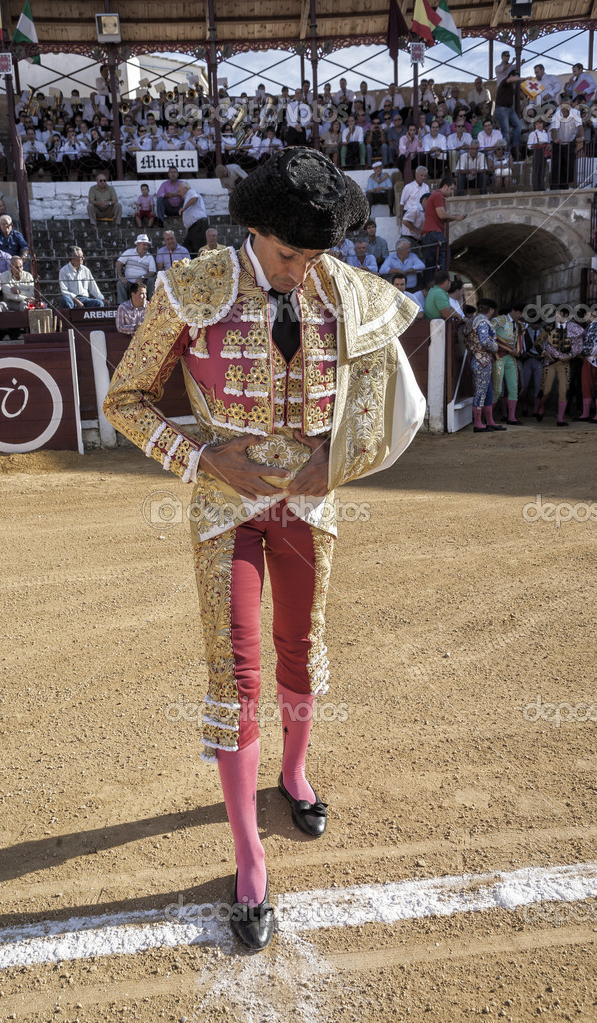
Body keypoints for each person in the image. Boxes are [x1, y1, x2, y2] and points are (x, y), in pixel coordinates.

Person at [102, 146, 424, 953]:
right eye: (290, 253)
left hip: (309, 501)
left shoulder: (342, 291)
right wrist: (204, 456)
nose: (303, 269)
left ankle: (295, 774)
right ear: (255, 230)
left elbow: (389, 398)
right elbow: (126, 399)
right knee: (236, 669)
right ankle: (250, 857)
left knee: (299, 645)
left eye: (318, 253)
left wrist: (337, 457)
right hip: (226, 506)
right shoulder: (197, 285)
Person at [537, 311, 584, 426]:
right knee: (546, 390)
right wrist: (544, 352)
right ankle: (542, 405)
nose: (555, 316)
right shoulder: (548, 327)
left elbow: (578, 346)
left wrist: (571, 355)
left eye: (558, 314)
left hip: (565, 363)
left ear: (564, 315)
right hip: (550, 362)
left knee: (564, 390)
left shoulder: (573, 328)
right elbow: (538, 342)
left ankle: (560, 419)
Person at [465, 298, 504, 432]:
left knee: (488, 392)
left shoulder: (473, 321)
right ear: (491, 310)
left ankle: (490, 421)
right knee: (481, 392)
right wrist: (496, 347)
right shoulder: (482, 322)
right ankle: (478, 423)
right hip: (481, 360)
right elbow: (485, 342)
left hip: (479, 359)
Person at [421, 177, 466, 284]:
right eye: (451, 189)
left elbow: (440, 217)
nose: (452, 192)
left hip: (430, 233)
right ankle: (443, 280)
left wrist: (454, 217)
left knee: (431, 262)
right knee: (444, 253)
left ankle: (430, 283)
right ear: (445, 186)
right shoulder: (438, 196)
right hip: (434, 232)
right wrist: (456, 218)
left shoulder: (435, 196)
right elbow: (441, 215)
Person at [491, 305, 524, 423]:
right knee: (497, 389)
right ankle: (488, 418)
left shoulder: (519, 324)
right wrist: (509, 348)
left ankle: (512, 417)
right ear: (514, 310)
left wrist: (517, 352)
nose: (522, 316)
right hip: (498, 356)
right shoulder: (499, 320)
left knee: (513, 387)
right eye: (520, 313)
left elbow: (519, 340)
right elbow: (491, 336)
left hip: (511, 358)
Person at [549, 94, 584, 190]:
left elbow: (579, 127)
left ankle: (565, 186)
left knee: (568, 166)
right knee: (556, 166)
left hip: (570, 142)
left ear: (571, 105)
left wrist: (582, 137)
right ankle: (554, 187)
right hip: (558, 144)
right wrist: (555, 139)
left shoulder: (576, 113)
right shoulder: (557, 114)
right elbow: (553, 130)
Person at [115, 234, 156, 304]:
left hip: (143, 282)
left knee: (151, 280)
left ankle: (152, 303)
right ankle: (122, 306)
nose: (146, 247)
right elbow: (118, 263)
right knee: (120, 284)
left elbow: (152, 272)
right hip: (128, 281)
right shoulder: (129, 252)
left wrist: (142, 277)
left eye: (147, 245)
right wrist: (121, 277)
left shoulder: (149, 257)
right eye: (144, 245)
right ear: (138, 244)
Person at [176, 182, 209, 257]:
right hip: (193, 227)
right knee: (188, 248)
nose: (179, 193)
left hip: (198, 224)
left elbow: (195, 198)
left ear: (186, 188)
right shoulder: (187, 197)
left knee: (198, 248)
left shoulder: (190, 192)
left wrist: (184, 208)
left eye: (179, 191)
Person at [575, 310, 597, 421]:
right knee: (586, 386)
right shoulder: (588, 327)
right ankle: (585, 413)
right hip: (587, 359)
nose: (585, 317)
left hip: (594, 358)